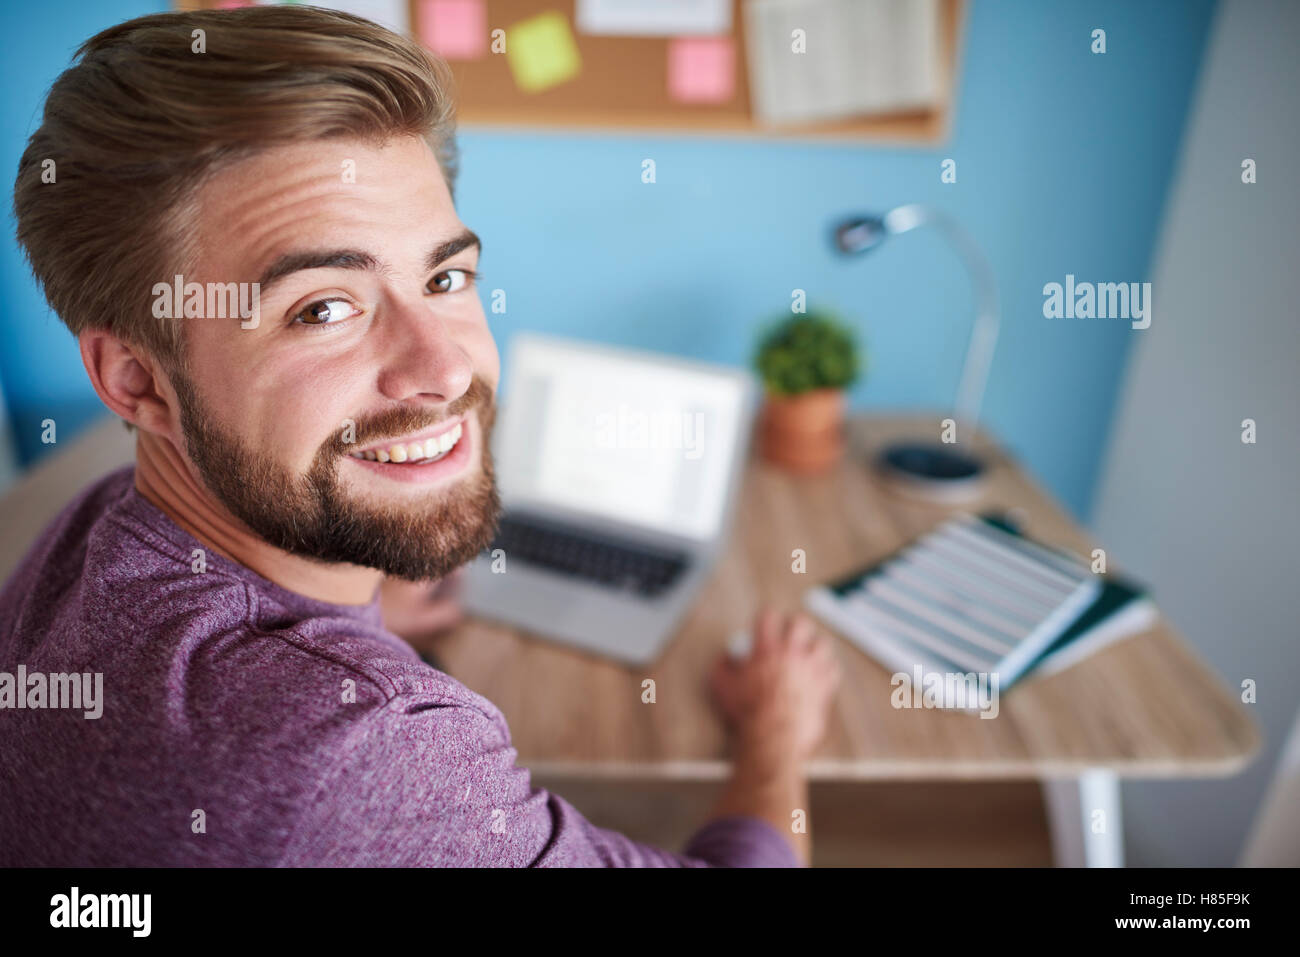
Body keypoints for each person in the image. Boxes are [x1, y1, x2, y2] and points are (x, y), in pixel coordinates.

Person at [0, 5, 840, 867]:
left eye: (445, 276)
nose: (444, 368)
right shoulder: (374, 746)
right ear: (137, 380)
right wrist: (777, 734)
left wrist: (357, 600)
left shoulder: (89, 537)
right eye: (323, 308)